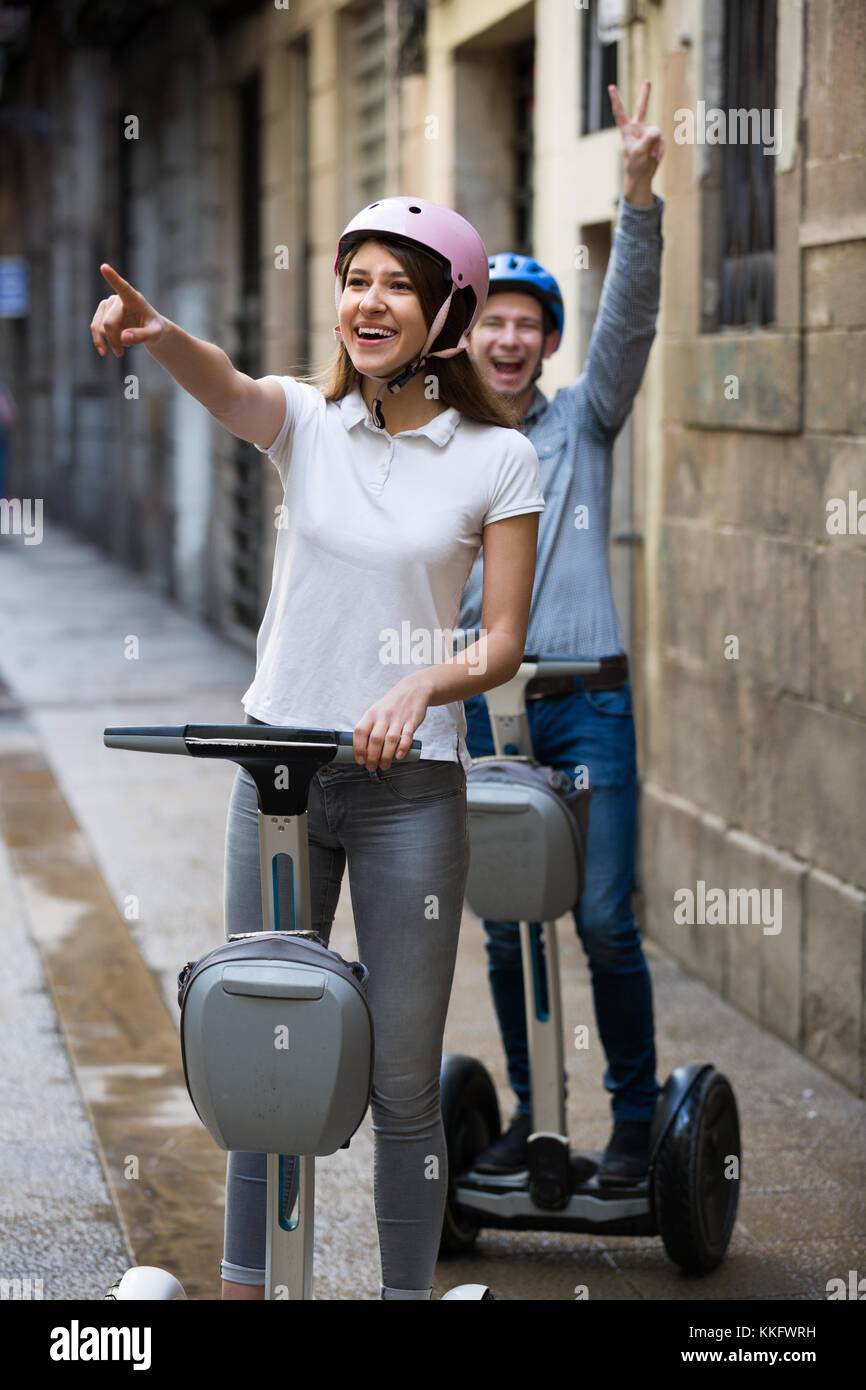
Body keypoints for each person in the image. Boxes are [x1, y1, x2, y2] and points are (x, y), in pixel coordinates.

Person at [89, 195, 545, 1299]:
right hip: (278, 780)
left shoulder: (498, 458)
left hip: (408, 793)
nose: (367, 300)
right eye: (353, 280)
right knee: (262, 1058)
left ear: (445, 315)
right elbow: (232, 388)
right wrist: (160, 338)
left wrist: (423, 681)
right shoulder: (305, 420)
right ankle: (247, 1286)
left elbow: (500, 643)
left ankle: (403, 1294)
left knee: (399, 1079)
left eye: (394, 282)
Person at [459, 81, 666, 1185]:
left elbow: (626, 318)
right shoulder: (440, 449)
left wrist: (636, 196)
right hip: (489, 717)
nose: (507, 335)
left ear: (543, 342)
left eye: (525, 322)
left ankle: (633, 1125)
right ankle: (535, 1119)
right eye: (489, 317)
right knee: (504, 927)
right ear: (471, 336)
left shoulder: (580, 422)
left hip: (586, 704)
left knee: (598, 919)